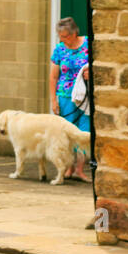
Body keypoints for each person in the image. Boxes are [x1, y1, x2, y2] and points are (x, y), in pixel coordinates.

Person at [50, 16, 90, 179]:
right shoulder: (59, 49)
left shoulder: (88, 44)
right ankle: (68, 168)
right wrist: (53, 100)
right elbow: (53, 77)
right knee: (66, 133)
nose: (63, 39)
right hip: (65, 95)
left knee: (83, 132)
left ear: (74, 33)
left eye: (66, 36)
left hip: (84, 96)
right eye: (61, 36)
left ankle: (80, 169)